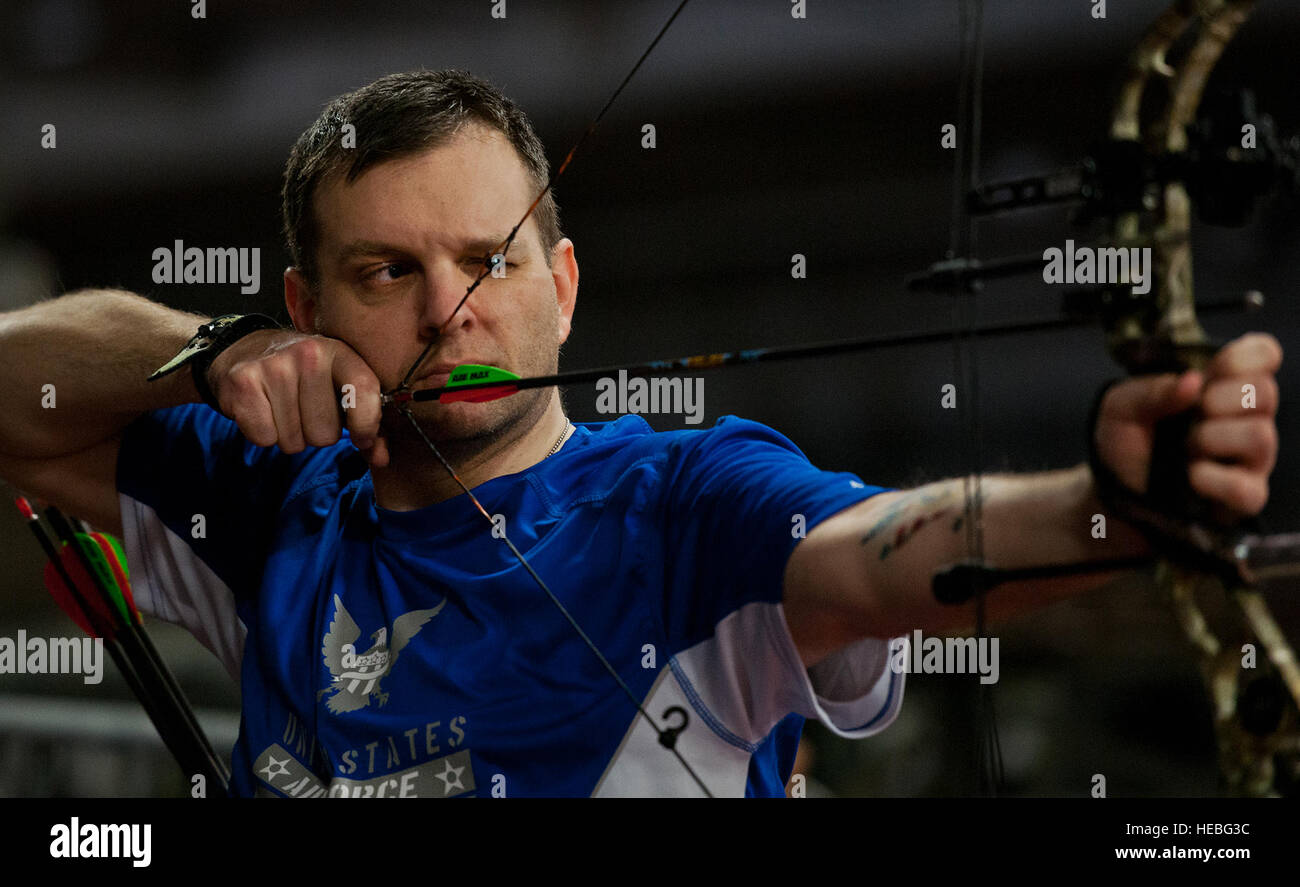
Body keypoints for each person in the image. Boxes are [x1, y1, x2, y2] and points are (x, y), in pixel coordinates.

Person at [0, 70, 1282, 797]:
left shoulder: (687, 500)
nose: (448, 310)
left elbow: (892, 551)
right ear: (309, 310)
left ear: (561, 287)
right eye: (386, 272)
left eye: (487, 261)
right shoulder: (273, 496)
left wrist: (1108, 498)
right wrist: (214, 352)